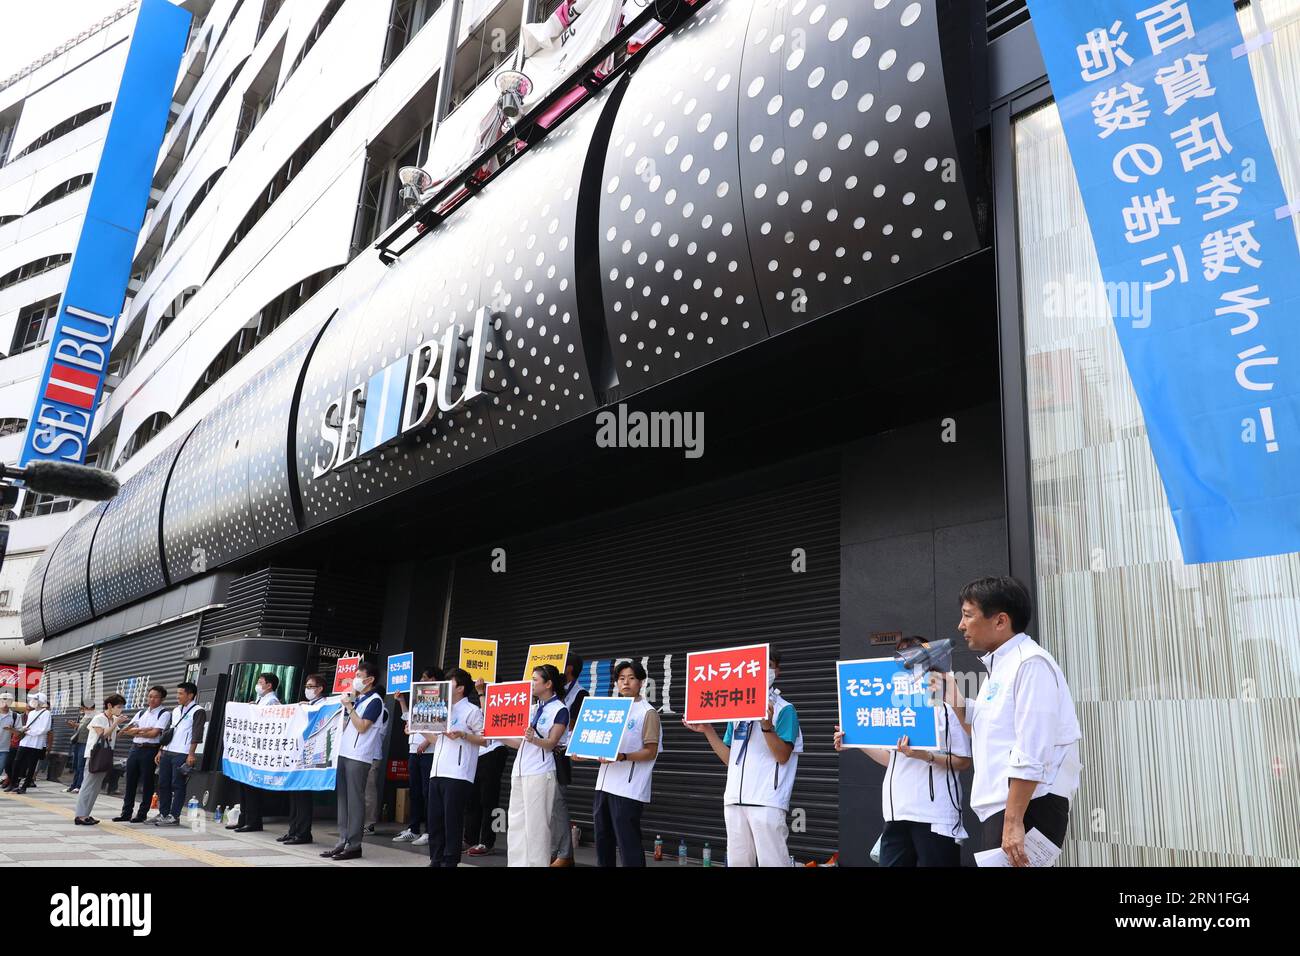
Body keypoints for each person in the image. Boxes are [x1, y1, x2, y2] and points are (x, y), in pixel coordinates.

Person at [949, 576, 1082, 866]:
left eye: (968, 615)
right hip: (1010, 806)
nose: (961, 626)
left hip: (1028, 806)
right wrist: (954, 698)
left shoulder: (1030, 663)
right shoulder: (1001, 666)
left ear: (1000, 621)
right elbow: (986, 732)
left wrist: (1013, 822)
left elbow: (1032, 750)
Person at [832, 637, 972, 867]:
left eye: (913, 658)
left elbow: (963, 761)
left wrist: (924, 756)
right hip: (896, 812)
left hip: (935, 816)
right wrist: (855, 741)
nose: (906, 664)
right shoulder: (893, 706)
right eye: (901, 659)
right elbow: (893, 759)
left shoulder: (947, 705)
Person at [683, 647, 803, 866]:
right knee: (738, 862)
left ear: (777, 671)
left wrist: (766, 725)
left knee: (773, 862)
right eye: (758, 665)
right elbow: (731, 759)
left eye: (769, 665)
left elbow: (783, 755)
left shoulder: (785, 710)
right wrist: (708, 730)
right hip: (734, 801)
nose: (763, 670)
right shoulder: (736, 712)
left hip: (766, 801)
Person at [573, 659, 661, 867]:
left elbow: (651, 751)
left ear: (641, 682)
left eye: (631, 678)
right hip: (603, 785)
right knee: (603, 839)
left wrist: (623, 756)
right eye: (621, 679)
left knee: (627, 842)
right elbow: (600, 745)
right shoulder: (607, 709)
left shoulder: (647, 713)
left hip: (628, 788)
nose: (626, 683)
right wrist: (582, 753)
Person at [505, 664, 569, 867]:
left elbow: (551, 743)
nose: (530, 683)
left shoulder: (560, 709)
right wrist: (497, 736)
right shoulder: (531, 707)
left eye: (535, 679)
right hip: (521, 769)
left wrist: (533, 738)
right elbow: (520, 742)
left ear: (548, 684)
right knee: (516, 823)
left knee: (537, 826)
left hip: (541, 772)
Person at [322, 661, 385, 860]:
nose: (355, 679)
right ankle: (342, 840)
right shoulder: (359, 699)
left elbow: (362, 727)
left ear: (370, 679)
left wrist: (349, 706)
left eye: (359, 675)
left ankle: (354, 845)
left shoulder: (375, 701)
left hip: (359, 756)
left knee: (355, 801)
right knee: (343, 799)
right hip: (344, 752)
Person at [424, 668, 486, 867]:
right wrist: (420, 730)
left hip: (458, 774)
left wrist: (463, 735)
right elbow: (439, 740)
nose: (443, 687)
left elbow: (486, 740)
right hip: (438, 770)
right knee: (435, 819)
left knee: (452, 820)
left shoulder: (472, 711)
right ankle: (436, 858)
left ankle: (450, 860)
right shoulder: (440, 708)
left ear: (460, 688)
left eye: (449, 684)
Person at [393, 667, 442, 846]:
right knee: (415, 791)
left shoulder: (439, 698)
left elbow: (440, 724)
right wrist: (401, 700)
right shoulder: (418, 697)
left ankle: (429, 831)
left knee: (427, 792)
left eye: (424, 677)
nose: (421, 679)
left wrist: (426, 742)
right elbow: (409, 718)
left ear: (434, 679)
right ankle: (414, 829)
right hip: (414, 750)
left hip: (428, 751)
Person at [226, 673, 279, 833]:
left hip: (259, 750)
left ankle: (253, 821)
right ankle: (243, 819)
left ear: (269, 685)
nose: (257, 685)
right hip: (249, 749)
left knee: (252, 788)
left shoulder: (272, 702)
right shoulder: (260, 700)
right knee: (244, 785)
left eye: (260, 682)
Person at [280, 674, 328, 845]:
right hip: (297, 754)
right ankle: (293, 830)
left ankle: (303, 833)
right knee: (294, 794)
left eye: (310, 686)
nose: (307, 690)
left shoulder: (324, 704)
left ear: (320, 689)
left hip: (309, 756)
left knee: (303, 796)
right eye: (306, 686)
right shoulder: (309, 705)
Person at [112, 686, 171, 822]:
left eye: (155, 697)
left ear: (162, 698)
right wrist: (144, 729)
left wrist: (138, 730)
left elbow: (154, 733)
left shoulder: (164, 714)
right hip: (135, 749)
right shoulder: (141, 712)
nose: (152, 699)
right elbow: (125, 731)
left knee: (147, 783)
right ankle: (126, 813)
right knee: (130, 781)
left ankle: (142, 813)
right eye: (150, 696)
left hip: (150, 749)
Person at [549, 652, 587, 866]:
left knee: (558, 804)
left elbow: (572, 724)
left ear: (569, 668)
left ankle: (564, 854)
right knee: (549, 806)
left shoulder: (581, 694)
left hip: (560, 753)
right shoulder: (551, 692)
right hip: (542, 752)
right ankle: (557, 852)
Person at [153, 682, 207, 827]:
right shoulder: (176, 710)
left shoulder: (198, 710)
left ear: (190, 695)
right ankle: (163, 813)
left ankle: (174, 815)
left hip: (182, 753)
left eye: (181, 694)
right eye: (177, 693)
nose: (178, 696)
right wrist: (161, 749)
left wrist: (191, 754)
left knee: (177, 785)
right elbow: (167, 732)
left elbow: (197, 733)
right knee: (163, 784)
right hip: (168, 751)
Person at [465, 678, 507, 857]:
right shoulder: (477, 705)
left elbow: (490, 720)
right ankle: (470, 838)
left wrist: (482, 693)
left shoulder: (504, 701)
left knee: (488, 800)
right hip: (478, 754)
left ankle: (487, 842)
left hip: (494, 751)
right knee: (472, 798)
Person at [74, 694, 129, 826]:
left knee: (96, 787)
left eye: (122, 707)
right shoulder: (99, 718)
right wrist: (116, 723)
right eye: (118, 707)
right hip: (94, 755)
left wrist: (128, 727)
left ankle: (86, 814)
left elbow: (116, 734)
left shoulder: (113, 719)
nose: (120, 709)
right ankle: (80, 815)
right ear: (109, 706)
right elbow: (103, 734)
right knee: (88, 785)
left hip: (105, 755)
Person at [3, 692, 51, 793]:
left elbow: (44, 729)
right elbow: (28, 726)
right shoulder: (32, 713)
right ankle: (13, 783)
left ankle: (24, 786)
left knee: (31, 765)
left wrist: (29, 732)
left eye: (34, 700)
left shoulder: (46, 713)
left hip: (36, 743)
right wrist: (22, 729)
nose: (32, 701)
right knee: (16, 762)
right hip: (25, 741)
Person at [65, 703, 97, 793]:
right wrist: (75, 725)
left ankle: (79, 786)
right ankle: (73, 785)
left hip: (85, 743)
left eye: (83, 707)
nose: (82, 709)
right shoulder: (84, 716)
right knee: (75, 765)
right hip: (78, 742)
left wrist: (76, 725)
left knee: (81, 765)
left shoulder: (95, 716)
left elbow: (89, 729)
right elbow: (81, 728)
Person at [0, 693, 18, 788]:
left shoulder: (15, 716)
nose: (5, 703)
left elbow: (19, 733)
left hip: (5, 749)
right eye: (3, 700)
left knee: (0, 768)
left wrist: (11, 730)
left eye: (8, 701)